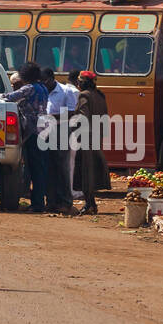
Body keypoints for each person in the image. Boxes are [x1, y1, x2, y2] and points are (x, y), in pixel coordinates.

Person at [3, 62, 50, 213]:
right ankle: (39, 202)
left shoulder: (29, 88)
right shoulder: (43, 88)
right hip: (43, 131)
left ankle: (37, 205)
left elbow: (9, 97)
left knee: (34, 169)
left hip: (31, 132)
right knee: (40, 169)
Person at [72, 70, 110, 215]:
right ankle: (91, 204)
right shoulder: (100, 96)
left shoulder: (84, 95)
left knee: (85, 172)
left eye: (79, 81)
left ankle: (90, 205)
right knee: (91, 171)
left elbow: (82, 116)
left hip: (85, 138)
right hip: (96, 137)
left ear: (82, 83)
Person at [41, 67, 77, 214]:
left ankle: (66, 202)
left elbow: (71, 113)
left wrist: (50, 117)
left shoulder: (66, 91)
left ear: (51, 79)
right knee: (48, 167)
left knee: (62, 168)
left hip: (61, 131)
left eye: (44, 81)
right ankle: (51, 201)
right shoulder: (43, 91)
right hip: (44, 131)